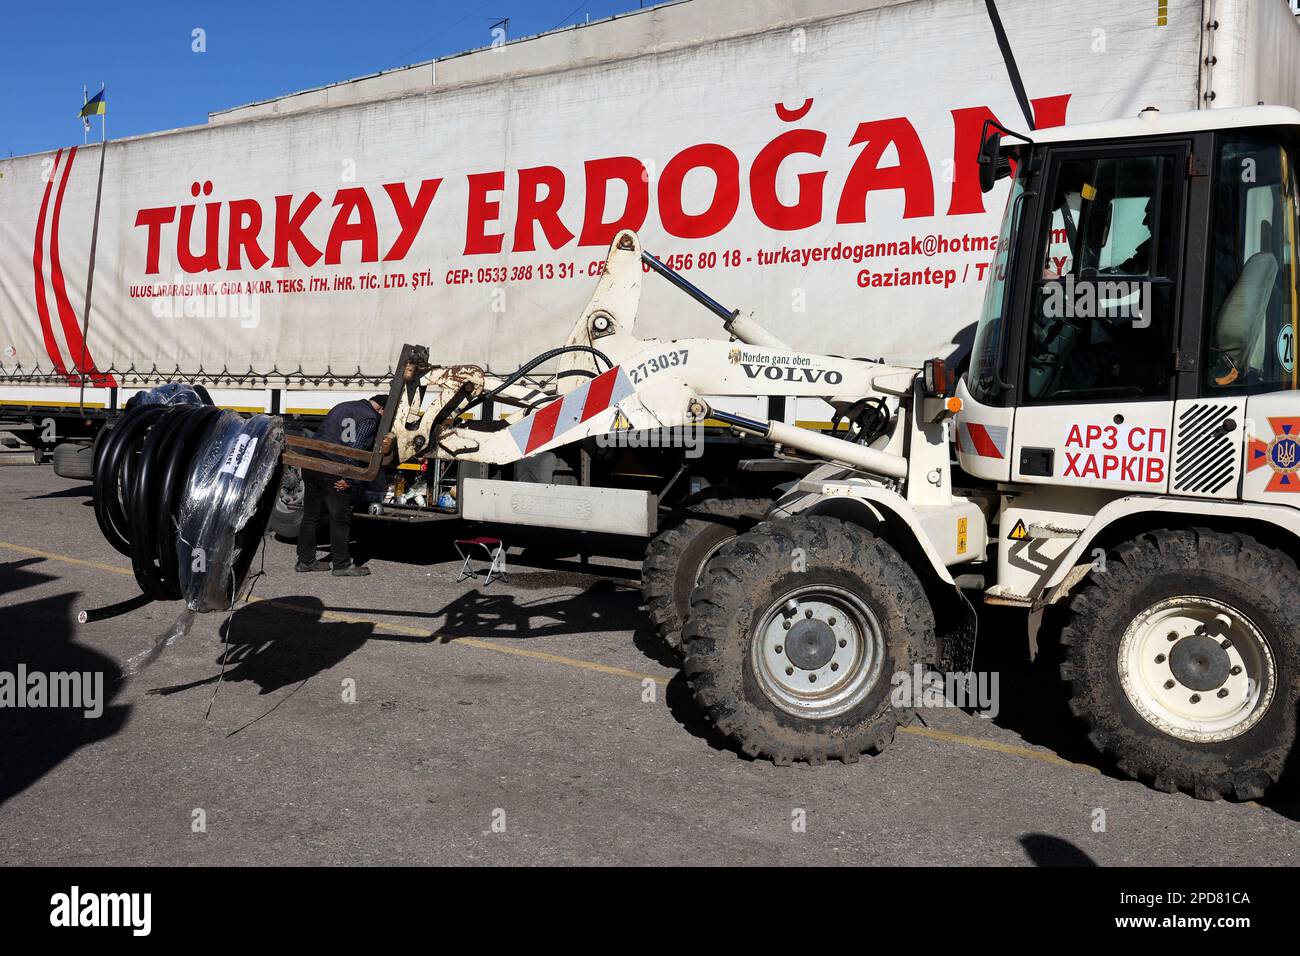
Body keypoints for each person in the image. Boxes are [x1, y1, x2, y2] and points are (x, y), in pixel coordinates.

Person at [295, 394, 393, 576]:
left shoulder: (343, 405)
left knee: (311, 515)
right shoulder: (370, 418)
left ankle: (305, 560)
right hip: (333, 468)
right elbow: (355, 450)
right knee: (340, 517)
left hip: (311, 463)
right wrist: (348, 479)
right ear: (380, 409)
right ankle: (341, 565)